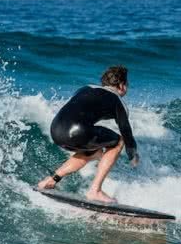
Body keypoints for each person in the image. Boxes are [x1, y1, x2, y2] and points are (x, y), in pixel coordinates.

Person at [37, 65, 139, 203]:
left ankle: (50, 180)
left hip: (56, 129)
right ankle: (95, 190)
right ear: (121, 85)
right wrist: (133, 155)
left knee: (94, 151)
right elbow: (126, 133)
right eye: (127, 84)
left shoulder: (85, 88)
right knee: (119, 141)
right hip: (78, 131)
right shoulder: (118, 102)